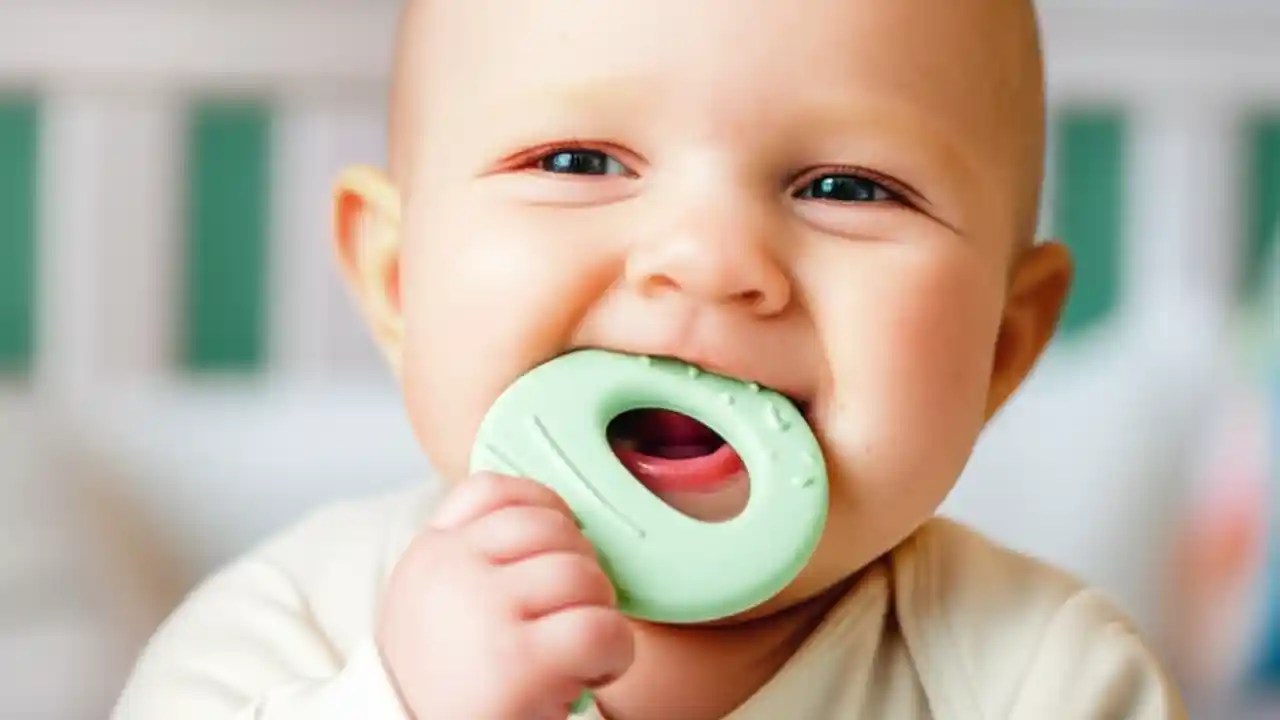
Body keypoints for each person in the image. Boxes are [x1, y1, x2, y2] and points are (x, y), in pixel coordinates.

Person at [114, 0, 1185, 717]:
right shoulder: (283, 634)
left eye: (845, 187)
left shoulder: (1046, 680)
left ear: (999, 347)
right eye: (578, 161)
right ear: (400, 282)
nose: (710, 261)